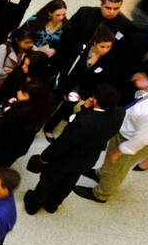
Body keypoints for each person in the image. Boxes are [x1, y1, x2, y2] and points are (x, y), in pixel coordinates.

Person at [75, 67, 148, 203]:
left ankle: (101, 193)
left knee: (117, 168)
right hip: (131, 129)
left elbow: (141, 139)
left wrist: (119, 151)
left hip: (130, 140)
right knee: (111, 165)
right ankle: (101, 173)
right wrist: (145, 90)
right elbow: (146, 103)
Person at [25, 84, 123, 214]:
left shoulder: (83, 121)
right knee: (68, 183)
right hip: (87, 158)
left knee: (49, 180)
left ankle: (34, 204)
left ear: (95, 99)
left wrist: (45, 157)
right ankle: (52, 205)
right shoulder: (119, 114)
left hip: (65, 158)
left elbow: (64, 142)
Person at [43, 28, 117, 137]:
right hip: (65, 83)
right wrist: (63, 90)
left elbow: (99, 81)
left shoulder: (107, 60)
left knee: (65, 109)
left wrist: (84, 95)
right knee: (52, 103)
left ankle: (49, 128)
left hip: (80, 90)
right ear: (95, 43)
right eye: (102, 46)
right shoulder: (80, 50)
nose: (105, 50)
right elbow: (65, 68)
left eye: (108, 47)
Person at [27, 0, 70, 65]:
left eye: (64, 14)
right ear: (50, 13)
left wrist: (54, 50)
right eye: (58, 15)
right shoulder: (35, 20)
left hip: (44, 61)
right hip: (27, 52)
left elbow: (62, 45)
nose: (61, 18)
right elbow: (22, 34)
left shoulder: (66, 27)